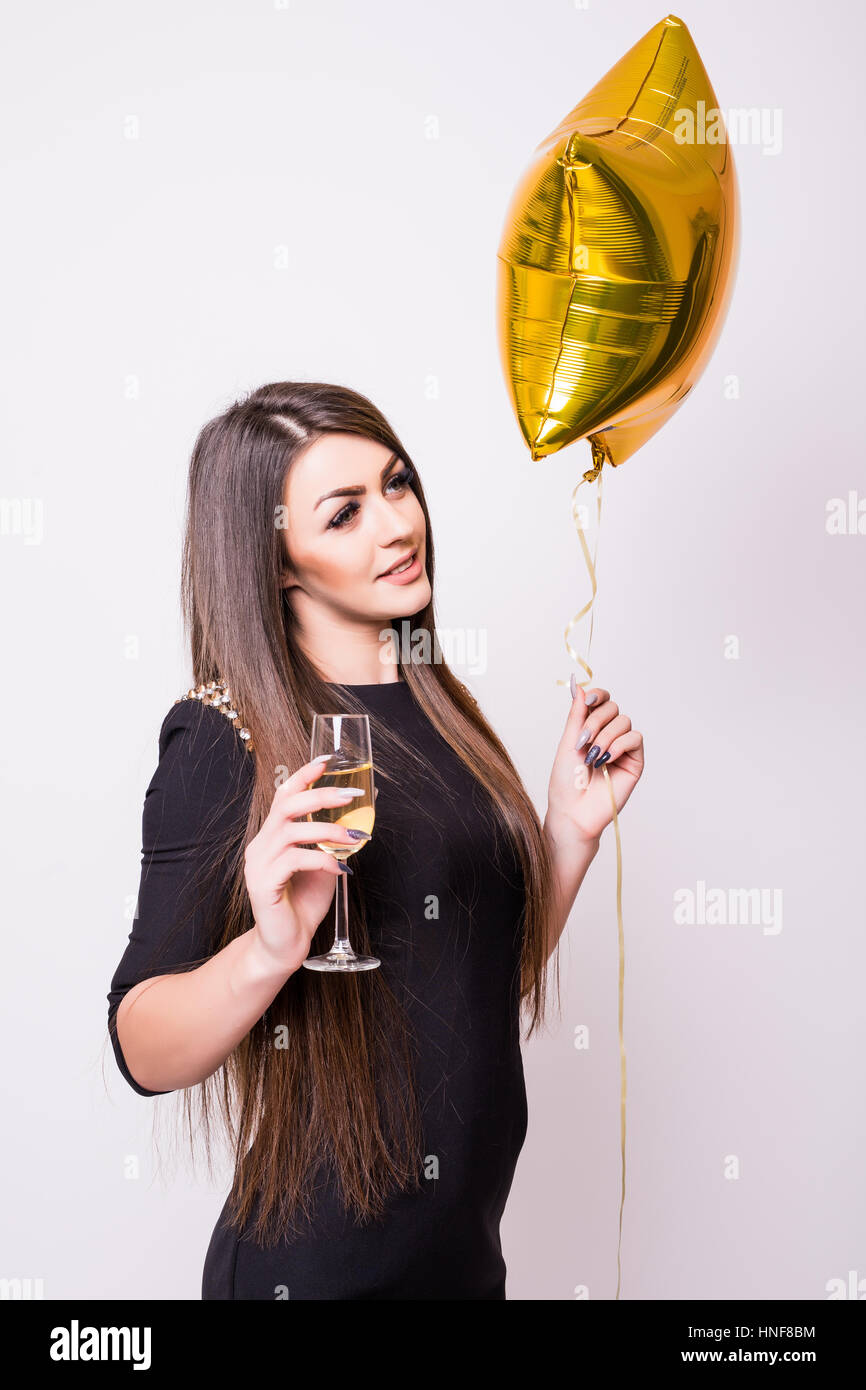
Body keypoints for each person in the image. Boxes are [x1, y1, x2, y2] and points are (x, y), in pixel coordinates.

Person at [106, 381, 645, 1299]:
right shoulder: (222, 733)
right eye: (345, 513)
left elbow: (470, 977)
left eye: (397, 485)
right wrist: (271, 951)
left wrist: (568, 834)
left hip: (463, 1264)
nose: (398, 525)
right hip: (318, 1274)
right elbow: (141, 1047)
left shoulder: (442, 709)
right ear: (274, 559)